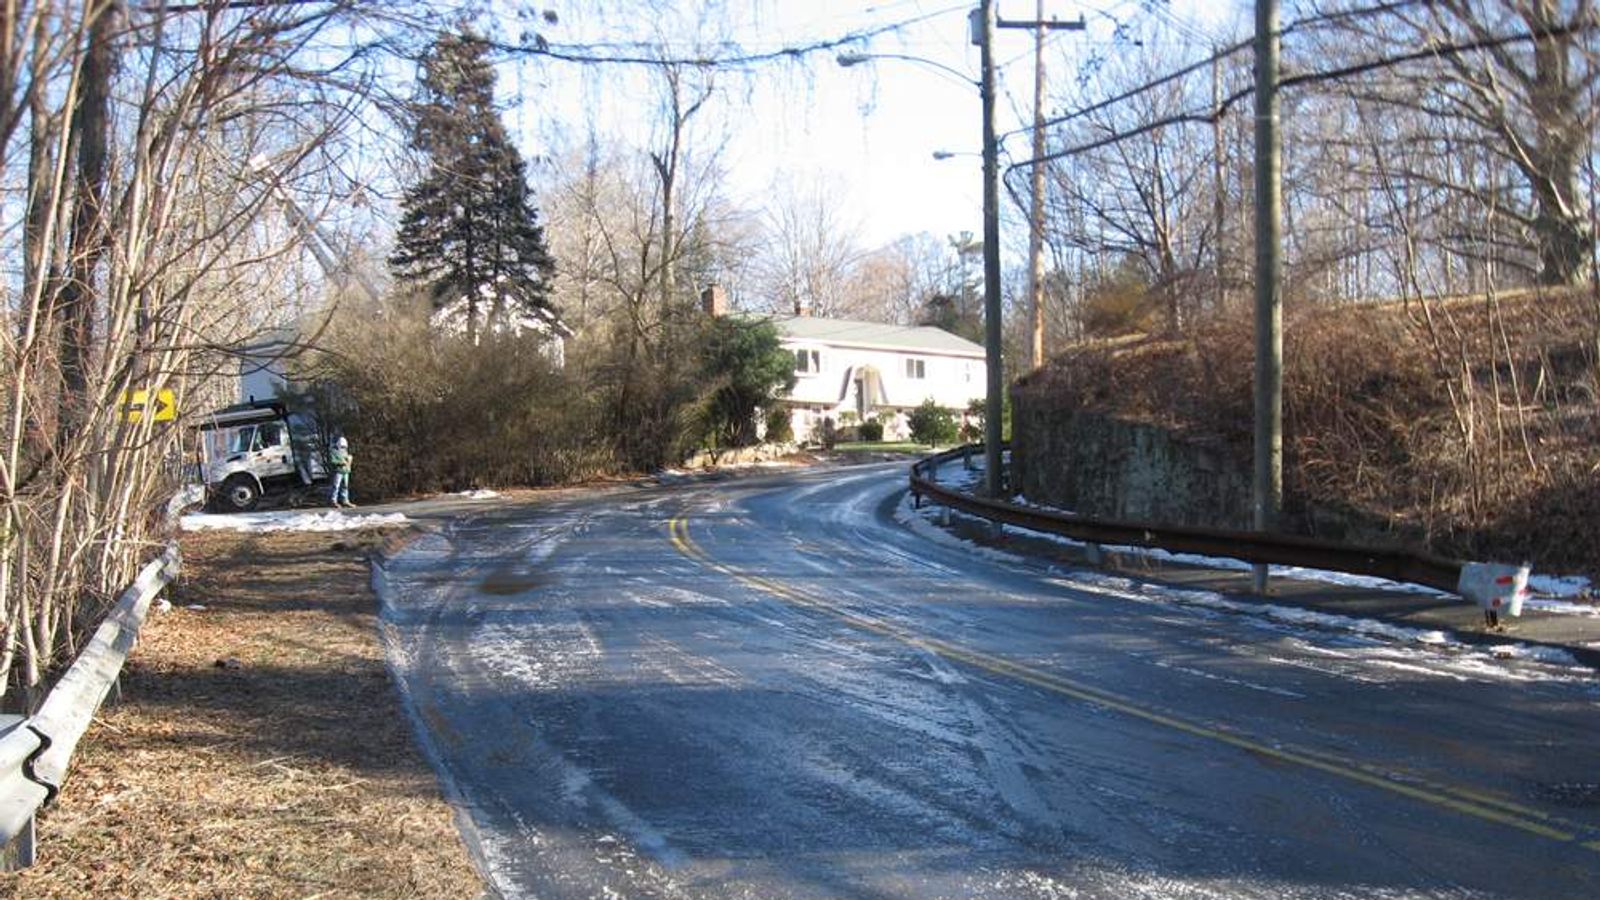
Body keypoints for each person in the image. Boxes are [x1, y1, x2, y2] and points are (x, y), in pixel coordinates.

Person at [329, 435, 354, 508]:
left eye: (344, 446)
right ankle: (333, 500)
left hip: (346, 471)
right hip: (338, 471)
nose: (343, 448)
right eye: (342, 446)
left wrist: (349, 460)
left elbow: (347, 460)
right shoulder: (334, 451)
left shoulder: (345, 451)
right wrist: (341, 463)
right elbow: (333, 461)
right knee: (336, 486)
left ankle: (345, 500)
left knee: (345, 486)